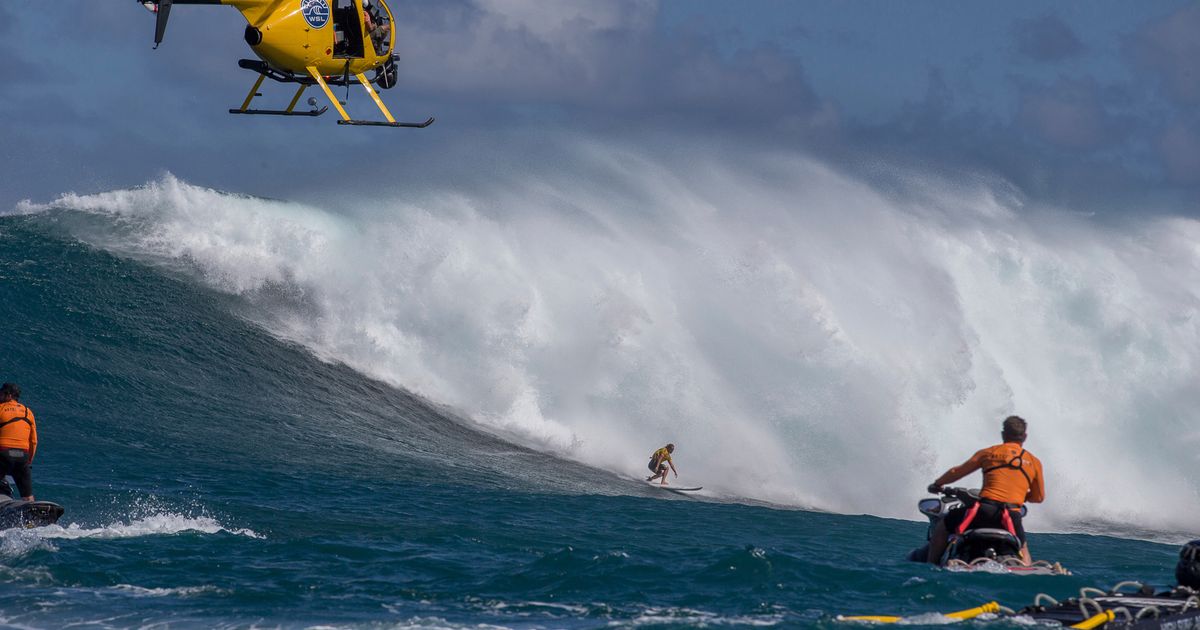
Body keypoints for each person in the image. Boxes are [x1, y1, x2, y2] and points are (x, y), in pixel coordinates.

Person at [926, 415, 1044, 565]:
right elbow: (1038, 497)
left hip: (984, 511)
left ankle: (932, 564)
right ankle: (1025, 570)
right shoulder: (1034, 462)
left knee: (943, 526)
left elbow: (958, 472)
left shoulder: (989, 453)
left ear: (1003, 434)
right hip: (1011, 516)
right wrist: (1019, 496)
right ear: (1025, 436)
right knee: (1023, 547)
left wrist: (937, 484)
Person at [0, 383, 37, 502]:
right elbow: (33, 440)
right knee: (27, 494)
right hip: (23, 456)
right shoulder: (28, 412)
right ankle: (31, 515)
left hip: (3, 453)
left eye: (2, 393)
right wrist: (28, 460)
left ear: (8, 395)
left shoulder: (1, 409)